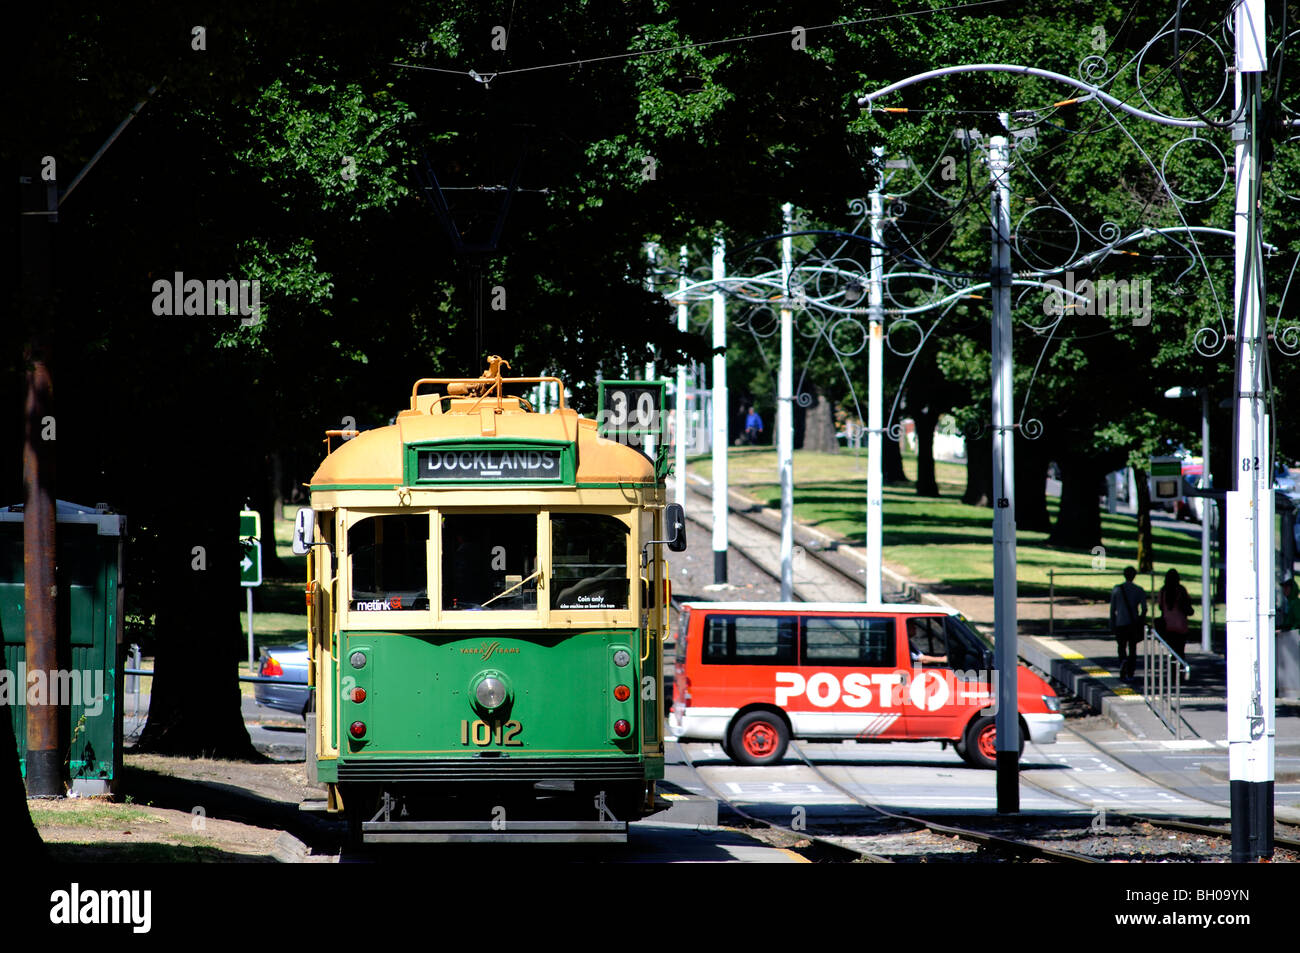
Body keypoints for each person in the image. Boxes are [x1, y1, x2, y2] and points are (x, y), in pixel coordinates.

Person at [1109, 567, 1147, 680]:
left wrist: (1112, 623)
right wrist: (1141, 619)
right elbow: (1144, 608)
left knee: (1121, 646)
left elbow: (1112, 609)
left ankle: (1123, 661)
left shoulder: (1117, 589)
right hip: (1133, 623)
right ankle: (1131, 670)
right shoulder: (1139, 590)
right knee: (1132, 647)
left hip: (1120, 622)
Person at [1155, 568, 1193, 661]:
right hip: (1181, 626)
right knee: (1180, 651)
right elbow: (1188, 605)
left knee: (1171, 651)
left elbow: (1160, 607)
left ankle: (1172, 672)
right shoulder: (1181, 590)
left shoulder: (1163, 591)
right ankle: (1180, 672)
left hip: (1168, 626)